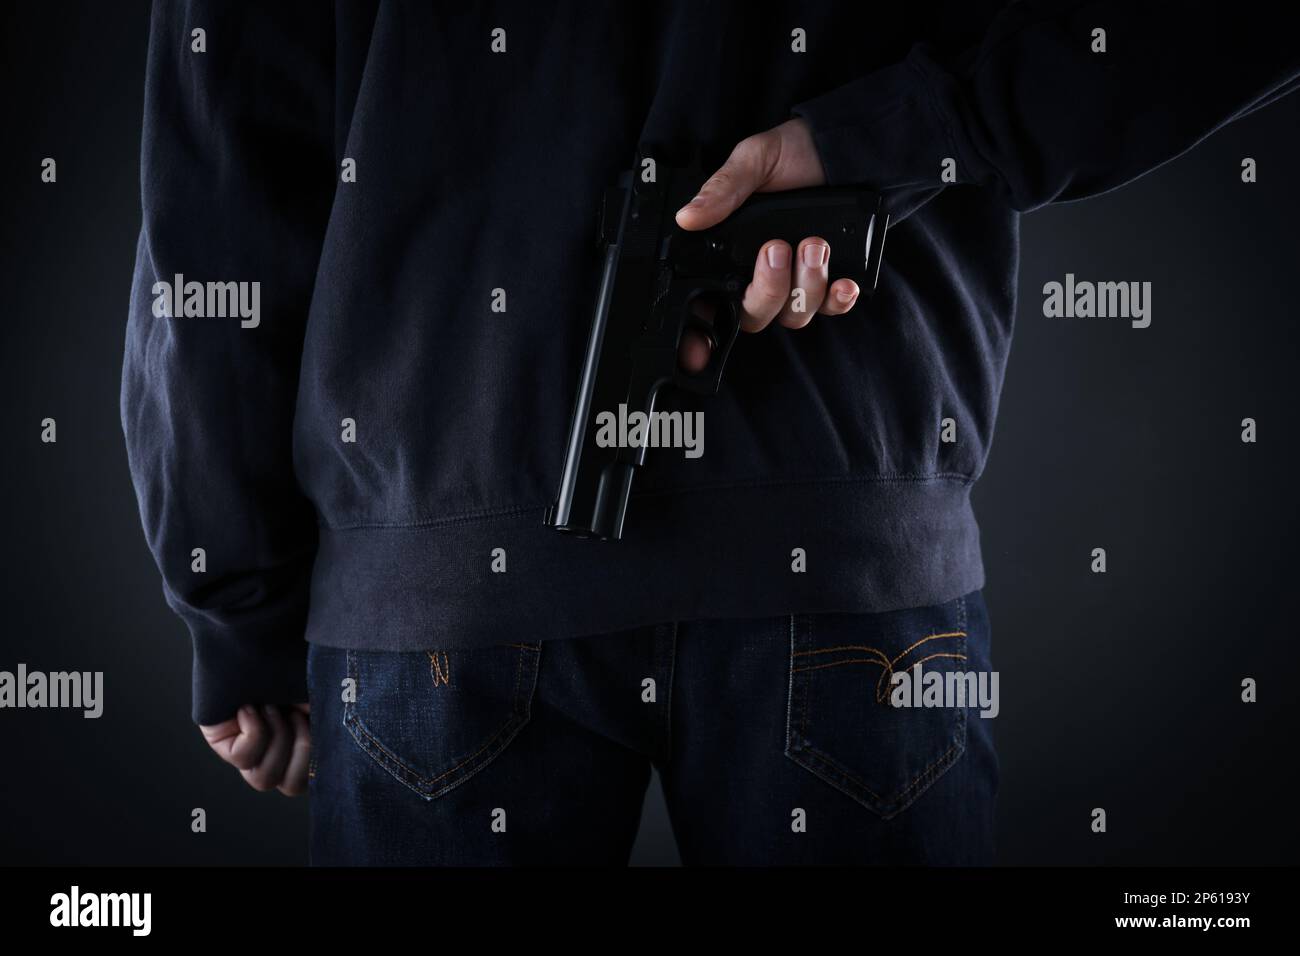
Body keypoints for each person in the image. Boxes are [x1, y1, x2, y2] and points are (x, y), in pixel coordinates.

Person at [122, 1, 1300, 864]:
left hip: (437, 600)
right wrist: (900, 132)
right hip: (848, 568)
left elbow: (217, 180)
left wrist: (237, 600)